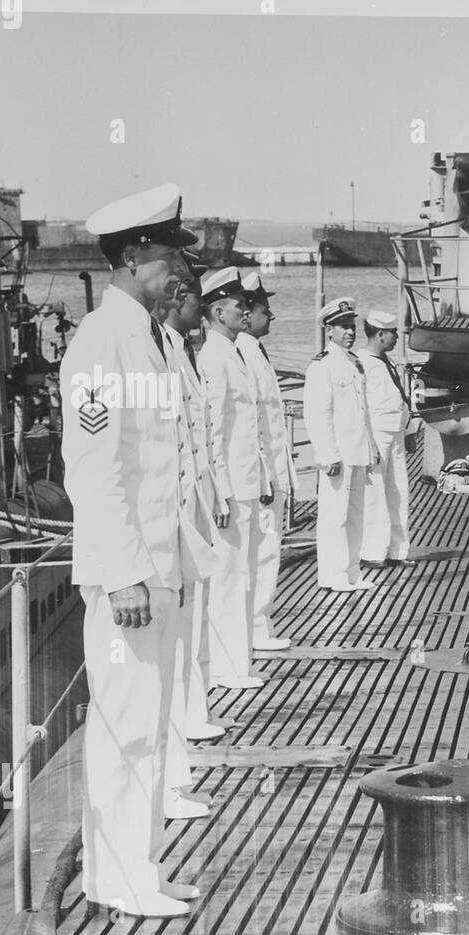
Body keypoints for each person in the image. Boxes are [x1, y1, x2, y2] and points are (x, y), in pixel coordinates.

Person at [60, 183, 215, 918]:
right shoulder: (100, 341)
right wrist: (123, 574)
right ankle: (118, 878)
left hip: (160, 568)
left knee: (150, 723)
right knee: (124, 725)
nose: (175, 269)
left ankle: (138, 867)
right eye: (165, 255)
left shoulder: (152, 337)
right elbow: (94, 471)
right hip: (128, 577)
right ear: (132, 257)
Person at [162, 255, 230, 806]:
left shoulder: (184, 354)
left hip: (192, 509)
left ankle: (191, 714)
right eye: (192, 299)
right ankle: (171, 766)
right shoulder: (159, 352)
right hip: (170, 521)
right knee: (172, 640)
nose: (198, 310)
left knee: (192, 625)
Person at [200, 267, 277, 689]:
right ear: (217, 311)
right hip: (231, 489)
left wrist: (263, 480)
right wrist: (221, 494)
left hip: (248, 484)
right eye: (237, 306)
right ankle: (225, 669)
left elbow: (250, 428)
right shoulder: (213, 357)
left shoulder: (234, 353)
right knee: (229, 580)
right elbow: (212, 433)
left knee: (243, 577)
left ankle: (239, 663)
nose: (245, 312)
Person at [303, 297, 380, 591]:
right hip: (339, 454)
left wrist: (371, 449)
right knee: (335, 517)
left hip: (358, 451)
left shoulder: (354, 362)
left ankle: (351, 572)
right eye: (343, 327)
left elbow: (363, 412)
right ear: (329, 330)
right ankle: (332, 575)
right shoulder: (322, 366)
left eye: (352, 326)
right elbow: (317, 414)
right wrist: (327, 453)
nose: (350, 332)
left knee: (356, 515)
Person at [237, 271, 296, 649]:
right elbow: (251, 423)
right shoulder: (243, 352)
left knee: (267, 551)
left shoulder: (254, 350)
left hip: (272, 472)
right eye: (265, 309)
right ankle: (255, 627)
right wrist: (263, 478)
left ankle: (260, 623)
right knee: (260, 553)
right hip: (262, 476)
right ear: (248, 312)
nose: (270, 315)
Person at [358, 311, 415, 567]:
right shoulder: (361, 362)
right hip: (377, 434)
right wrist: (367, 442)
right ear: (380, 334)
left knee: (398, 492)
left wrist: (409, 430)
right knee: (375, 495)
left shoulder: (386, 361)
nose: (396, 338)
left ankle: (397, 550)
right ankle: (372, 551)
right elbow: (361, 408)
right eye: (392, 333)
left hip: (395, 432)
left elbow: (399, 399)